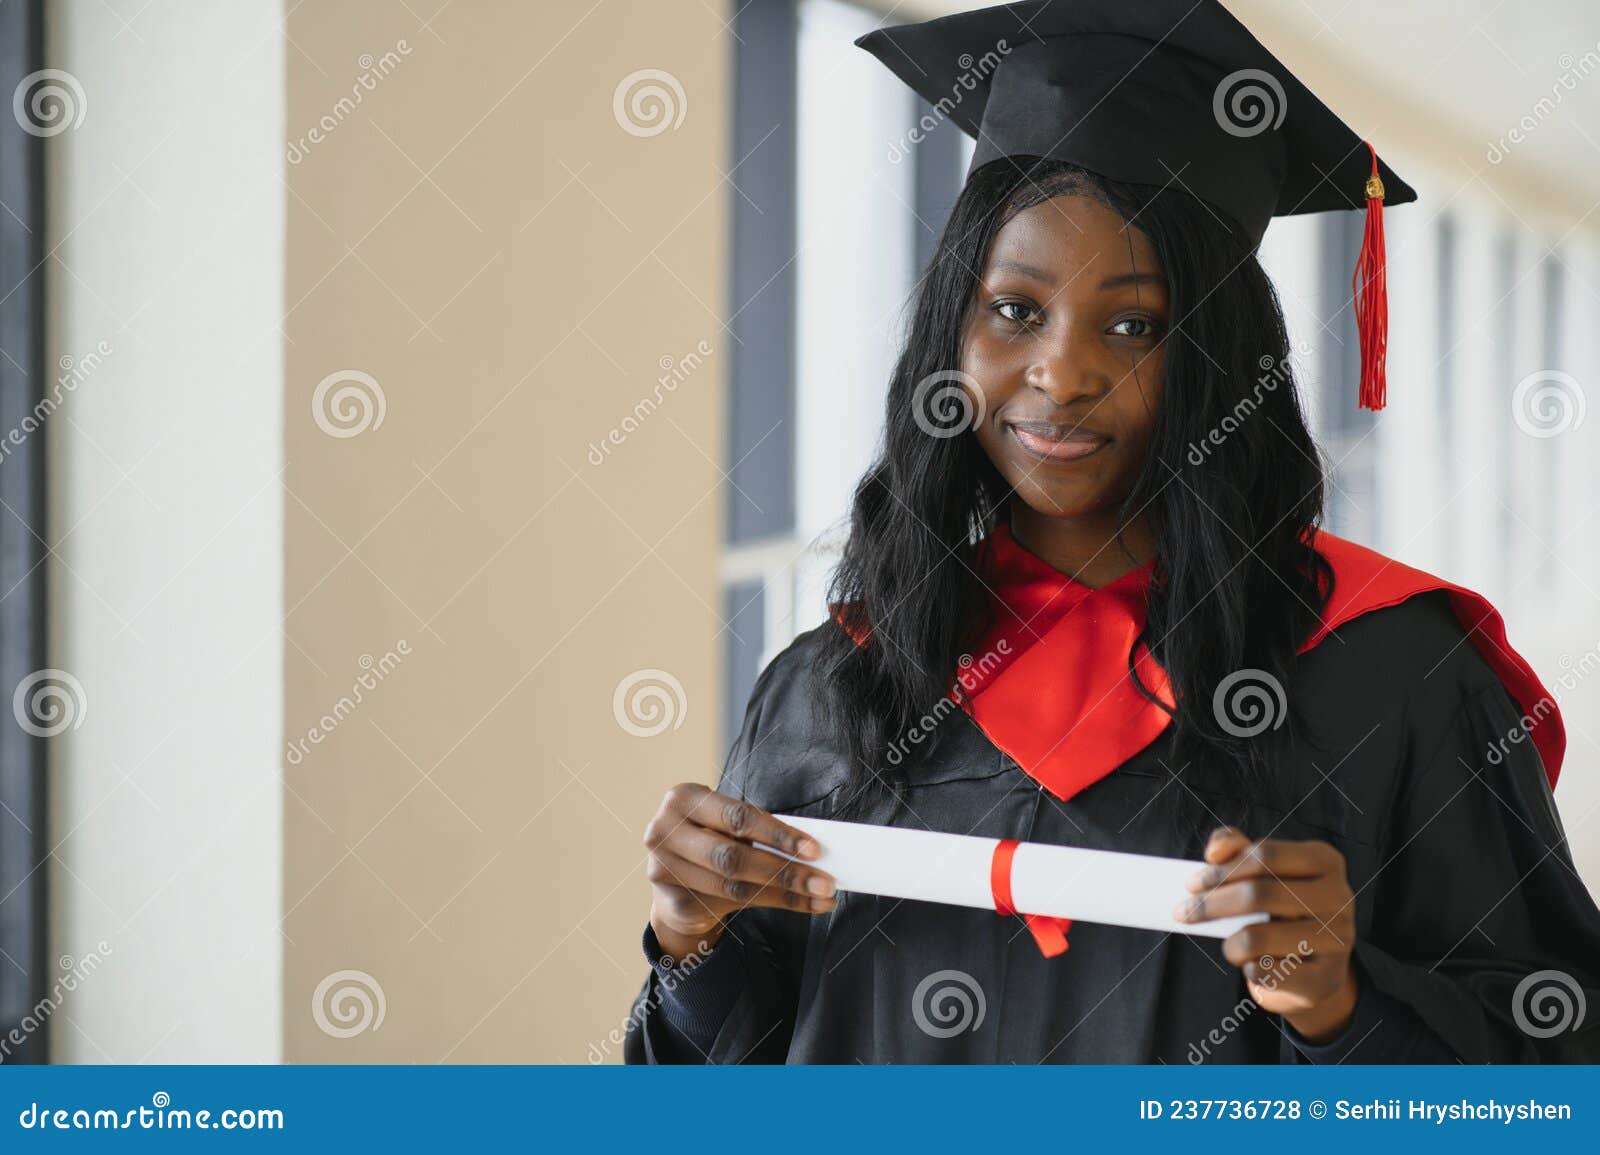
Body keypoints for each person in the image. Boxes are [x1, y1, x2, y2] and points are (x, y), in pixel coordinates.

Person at [624, 0, 1600, 1063]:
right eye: (1014, 310)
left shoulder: (1393, 673)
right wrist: (689, 939)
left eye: (1137, 325)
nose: (1062, 375)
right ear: (952, 330)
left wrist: (1339, 1001)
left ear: (1220, 362)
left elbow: (1553, 1050)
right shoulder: (832, 687)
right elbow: (738, 1068)